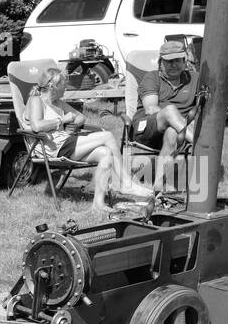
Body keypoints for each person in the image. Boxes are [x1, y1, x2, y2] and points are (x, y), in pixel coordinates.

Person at [25, 66, 151, 210]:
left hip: (64, 144)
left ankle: (98, 204)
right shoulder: (36, 101)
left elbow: (81, 117)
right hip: (51, 148)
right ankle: (125, 183)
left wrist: (76, 121)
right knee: (108, 136)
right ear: (52, 86)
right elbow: (36, 126)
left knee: (105, 153)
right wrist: (62, 120)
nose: (66, 87)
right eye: (63, 84)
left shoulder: (58, 103)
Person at [133, 38, 201, 191]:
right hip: (147, 127)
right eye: (169, 62)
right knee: (170, 111)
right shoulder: (152, 77)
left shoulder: (194, 79)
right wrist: (176, 118)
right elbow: (150, 108)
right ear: (160, 62)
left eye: (178, 60)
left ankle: (161, 184)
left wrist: (177, 124)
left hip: (177, 130)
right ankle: (200, 145)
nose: (174, 65)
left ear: (185, 61)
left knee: (172, 132)